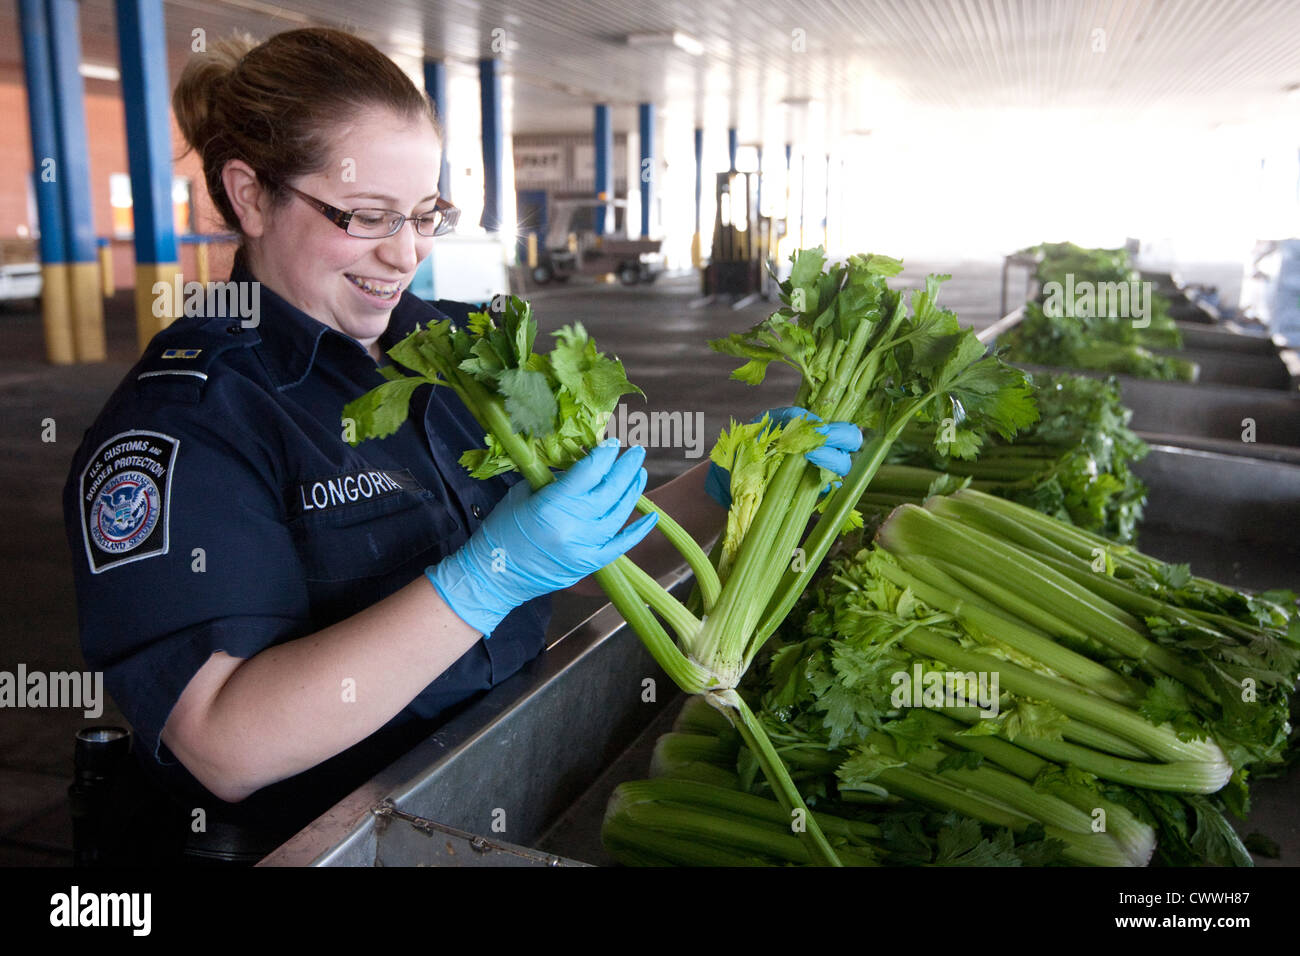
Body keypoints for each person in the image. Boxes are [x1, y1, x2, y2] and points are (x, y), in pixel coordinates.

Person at [62, 27, 861, 858]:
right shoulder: (189, 421)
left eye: (424, 214)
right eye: (366, 215)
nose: (404, 253)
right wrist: (486, 578)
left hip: (491, 778)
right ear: (251, 195)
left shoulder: (461, 352)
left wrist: (720, 486)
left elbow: (559, 547)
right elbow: (222, 743)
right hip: (326, 837)